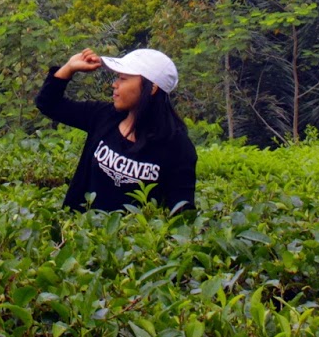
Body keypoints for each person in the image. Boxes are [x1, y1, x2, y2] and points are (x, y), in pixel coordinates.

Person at [35, 47, 197, 213]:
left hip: (130, 238)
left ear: (153, 88)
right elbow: (49, 104)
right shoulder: (104, 116)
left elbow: (181, 213)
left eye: (123, 78)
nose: (115, 84)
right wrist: (69, 68)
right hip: (80, 234)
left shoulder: (177, 147)